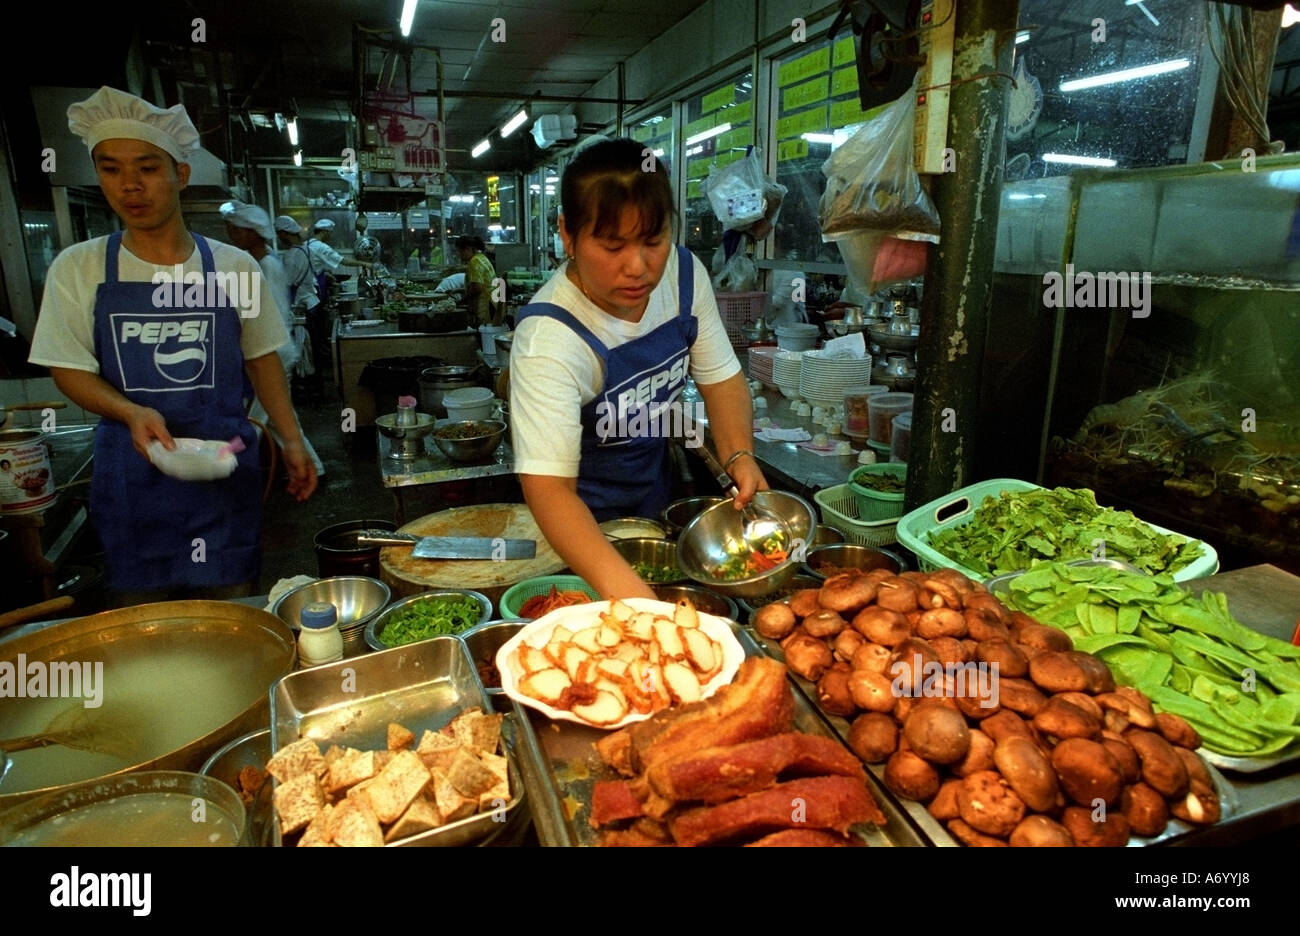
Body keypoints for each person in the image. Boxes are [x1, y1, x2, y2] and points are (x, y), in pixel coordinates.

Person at [28, 87, 317, 603]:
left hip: (221, 475)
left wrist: (293, 441)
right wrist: (129, 411)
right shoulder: (80, 267)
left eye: (147, 168)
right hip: (132, 480)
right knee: (149, 628)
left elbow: (261, 358)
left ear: (180, 175)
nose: (130, 186)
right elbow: (68, 368)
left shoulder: (232, 267)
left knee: (232, 617)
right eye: (111, 169)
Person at [509, 139, 767, 599]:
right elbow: (551, 492)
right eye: (612, 246)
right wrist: (636, 602)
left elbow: (723, 380)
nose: (639, 268)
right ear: (567, 235)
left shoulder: (685, 277)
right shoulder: (549, 339)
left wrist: (738, 455)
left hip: (653, 508)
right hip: (576, 531)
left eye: (654, 240)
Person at [221, 201, 325, 477]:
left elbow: (273, 313)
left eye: (236, 230)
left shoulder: (266, 266)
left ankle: (225, 467)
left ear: (253, 232)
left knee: (257, 419)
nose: (231, 235)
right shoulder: (260, 262)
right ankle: (312, 467)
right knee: (280, 417)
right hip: (272, 349)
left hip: (272, 353)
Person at [457, 235, 498, 326]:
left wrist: (462, 301)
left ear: (467, 249)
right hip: (493, 303)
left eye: (460, 252)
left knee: (484, 335)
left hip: (485, 306)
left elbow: (477, 288)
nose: (460, 256)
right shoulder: (482, 258)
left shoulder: (474, 262)